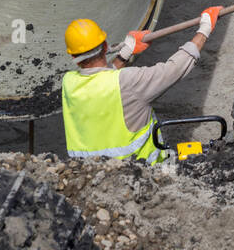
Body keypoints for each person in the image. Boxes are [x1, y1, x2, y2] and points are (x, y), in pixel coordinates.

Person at [61, 9, 222, 164]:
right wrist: (205, 29)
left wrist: (125, 53)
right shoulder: (129, 81)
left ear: (73, 56)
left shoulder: (69, 83)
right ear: (105, 46)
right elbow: (173, 70)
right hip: (142, 175)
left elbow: (99, 78)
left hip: (89, 176)